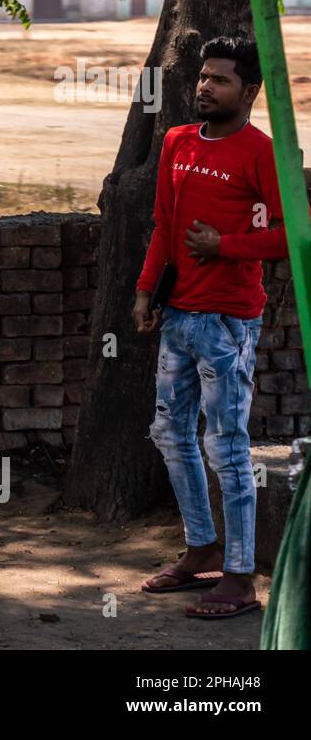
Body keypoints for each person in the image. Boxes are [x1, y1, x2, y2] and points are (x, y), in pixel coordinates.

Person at [133, 36, 288, 619]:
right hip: (177, 315)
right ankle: (202, 548)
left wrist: (226, 246)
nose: (205, 86)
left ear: (249, 91)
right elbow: (164, 225)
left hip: (229, 323)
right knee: (170, 434)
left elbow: (289, 233)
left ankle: (242, 577)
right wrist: (147, 291)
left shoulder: (261, 153)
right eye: (203, 77)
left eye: (219, 80)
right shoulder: (176, 142)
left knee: (225, 445)